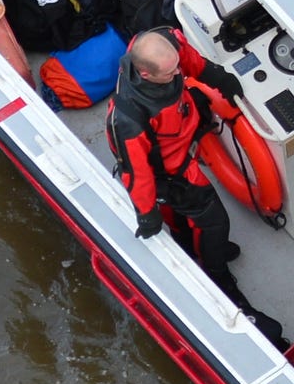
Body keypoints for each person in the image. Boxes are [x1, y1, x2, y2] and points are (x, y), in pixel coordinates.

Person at [109, 29, 282, 339]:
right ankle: (216, 273)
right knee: (215, 222)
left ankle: (197, 244)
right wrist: (146, 214)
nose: (179, 73)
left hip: (183, 136)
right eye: (172, 72)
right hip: (171, 173)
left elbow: (188, 58)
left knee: (197, 221)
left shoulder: (159, 45)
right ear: (145, 74)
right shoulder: (130, 118)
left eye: (177, 66)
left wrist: (216, 76)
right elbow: (137, 173)